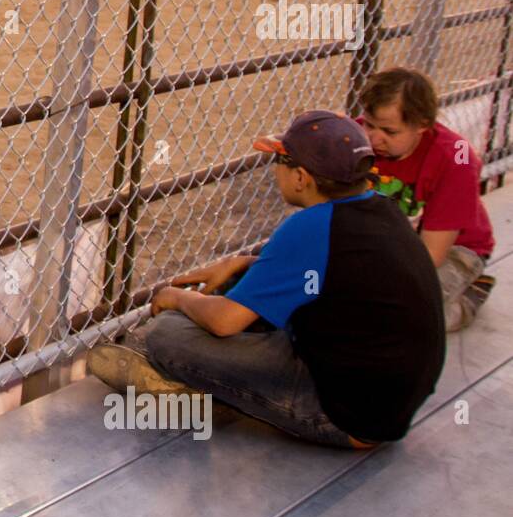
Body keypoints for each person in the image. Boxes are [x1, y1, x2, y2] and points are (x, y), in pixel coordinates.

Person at [88, 111, 445, 448]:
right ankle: (205, 389)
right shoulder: (379, 207)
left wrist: (175, 296)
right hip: (388, 407)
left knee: (168, 333)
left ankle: (200, 392)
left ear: (302, 177)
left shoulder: (309, 225)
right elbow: (335, 273)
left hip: (341, 415)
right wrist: (245, 263)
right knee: (245, 293)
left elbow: (225, 322)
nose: (273, 169)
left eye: (279, 160)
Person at [358, 68, 496, 331]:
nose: (374, 138)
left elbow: (432, 253)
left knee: (405, 319)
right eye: (369, 124)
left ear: (422, 124)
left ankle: (470, 297)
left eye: (389, 131)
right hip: (387, 243)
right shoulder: (357, 136)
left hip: (454, 249)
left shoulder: (456, 158)